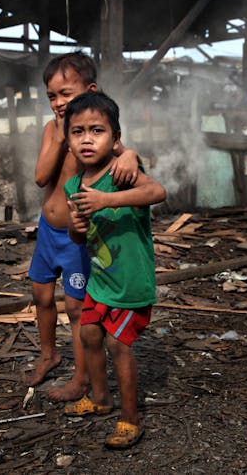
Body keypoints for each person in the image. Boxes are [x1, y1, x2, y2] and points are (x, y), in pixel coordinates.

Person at [27, 52, 144, 402]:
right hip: (48, 229)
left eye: (66, 93)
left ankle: (81, 379)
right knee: (41, 294)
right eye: (52, 96)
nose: (58, 102)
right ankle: (49, 354)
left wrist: (130, 155)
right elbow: (40, 177)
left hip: (77, 235)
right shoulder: (54, 130)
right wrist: (63, 135)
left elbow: (123, 151)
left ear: (89, 89)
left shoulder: (92, 130)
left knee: (77, 309)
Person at [61, 91, 165, 449]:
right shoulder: (73, 185)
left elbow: (158, 191)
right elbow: (79, 237)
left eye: (97, 130)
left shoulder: (124, 173)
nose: (87, 138)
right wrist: (76, 225)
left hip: (129, 284)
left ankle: (130, 419)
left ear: (115, 139)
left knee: (119, 346)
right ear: (68, 141)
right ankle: (101, 398)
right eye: (77, 132)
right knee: (89, 336)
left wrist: (107, 199)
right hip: (101, 280)